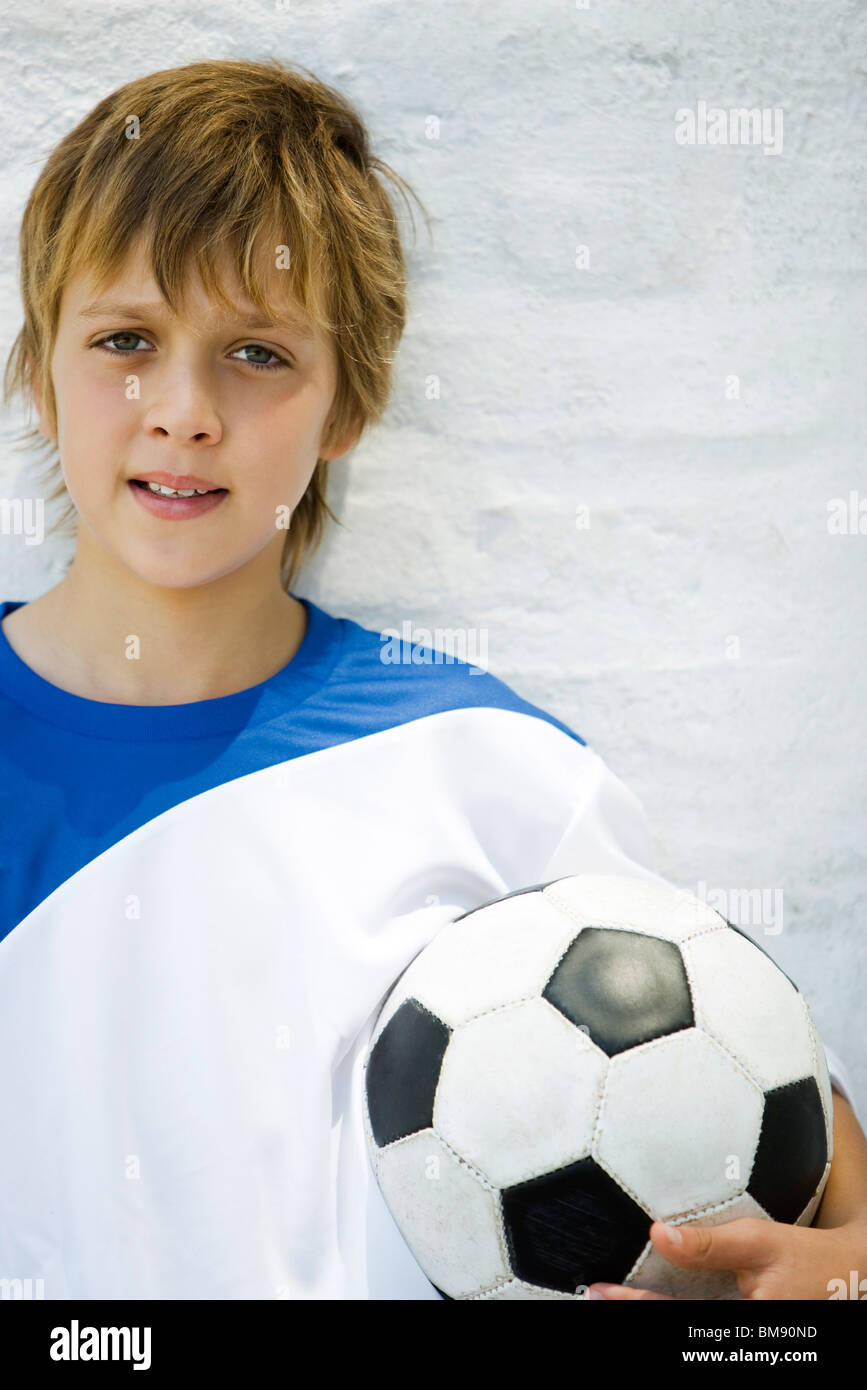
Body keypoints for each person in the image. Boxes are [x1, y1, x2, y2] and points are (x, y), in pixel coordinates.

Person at [0, 58, 864, 1302]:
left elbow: (833, 1210)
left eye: (256, 353)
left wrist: (807, 1299)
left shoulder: (490, 775)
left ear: (349, 403)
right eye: (125, 340)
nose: (183, 410)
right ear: (40, 365)